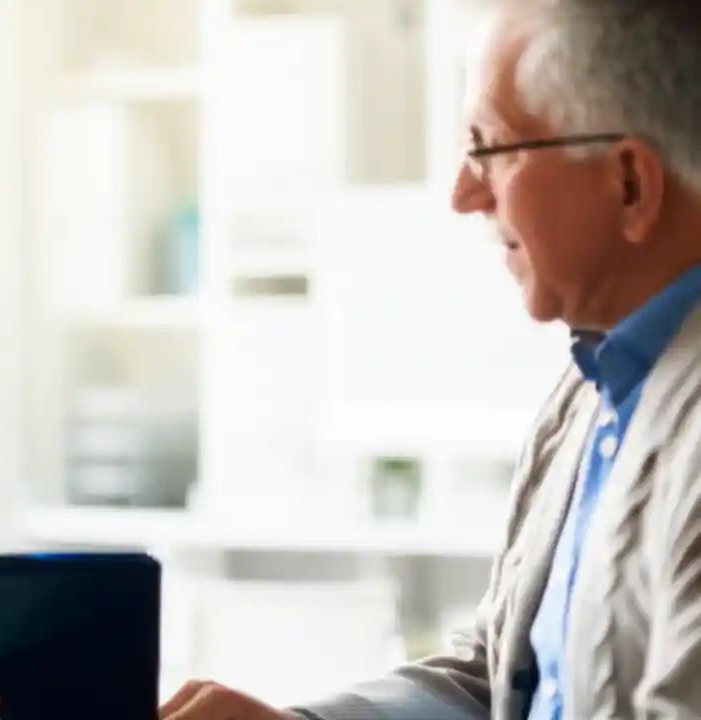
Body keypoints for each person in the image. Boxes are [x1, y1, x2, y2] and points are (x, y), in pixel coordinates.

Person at [160, 0, 701, 718]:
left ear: (629, 182)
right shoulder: (589, 389)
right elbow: (500, 673)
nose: (463, 193)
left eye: (490, 146)